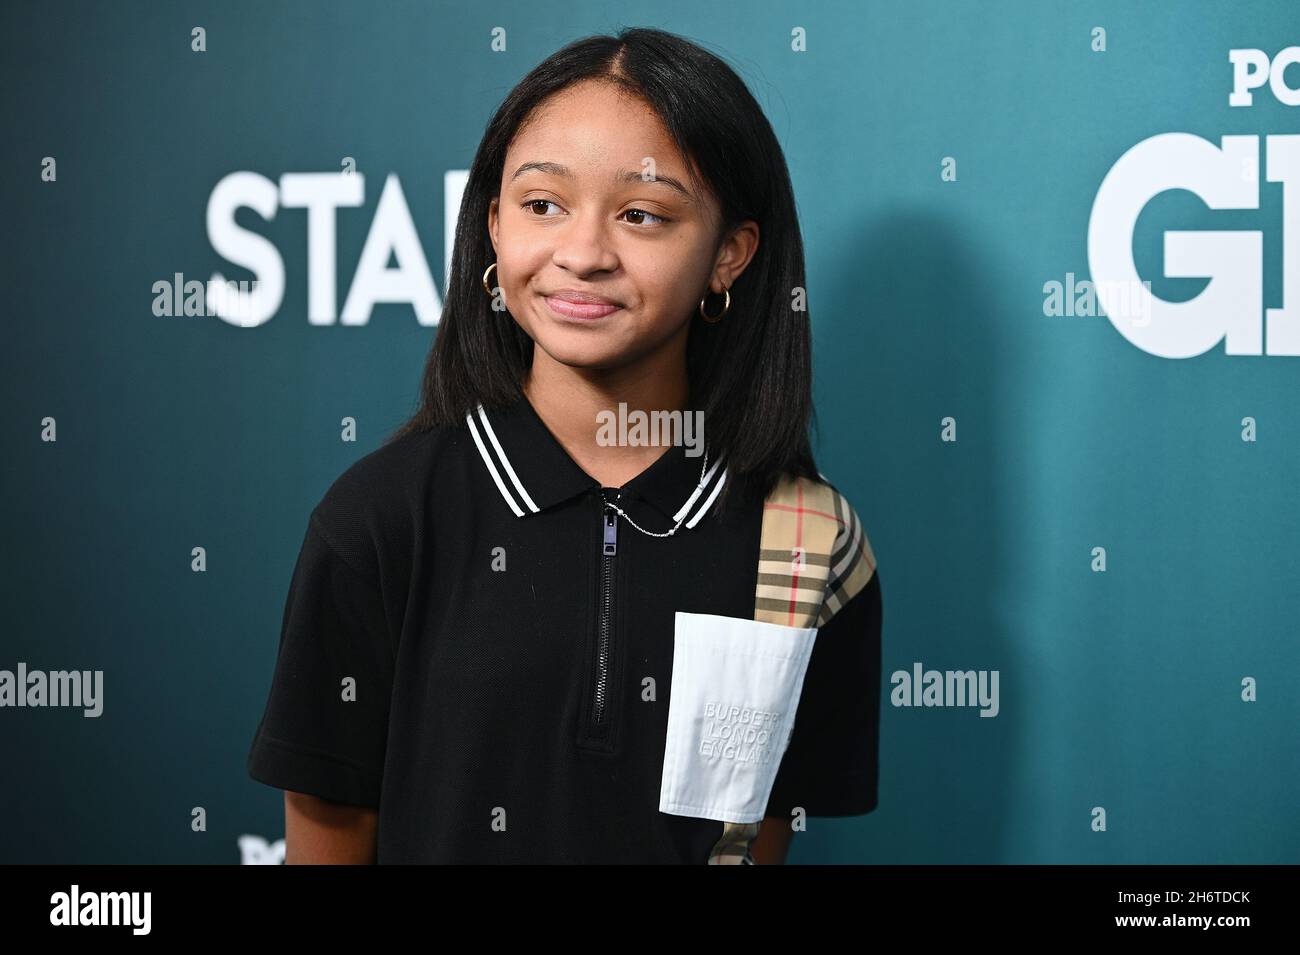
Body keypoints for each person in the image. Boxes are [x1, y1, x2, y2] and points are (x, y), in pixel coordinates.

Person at [247, 26, 882, 865]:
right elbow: (327, 840)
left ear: (730, 254)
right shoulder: (378, 520)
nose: (582, 254)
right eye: (542, 204)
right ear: (495, 227)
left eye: (642, 214)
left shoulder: (810, 540)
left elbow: (760, 837)